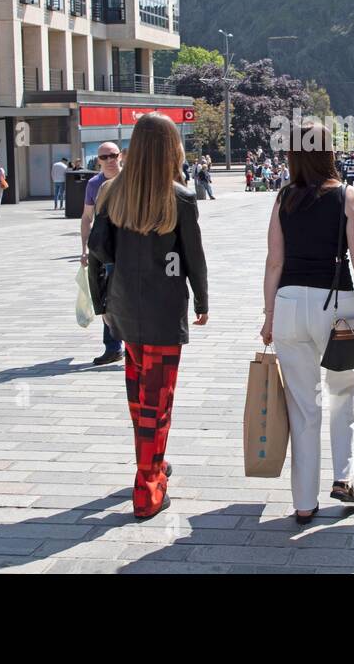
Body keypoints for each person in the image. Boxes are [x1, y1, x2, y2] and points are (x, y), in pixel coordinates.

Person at [87, 113, 208, 520]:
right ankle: (148, 487)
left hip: (123, 308)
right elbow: (194, 259)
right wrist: (202, 301)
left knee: (140, 396)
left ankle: (151, 460)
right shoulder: (178, 196)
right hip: (162, 312)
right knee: (159, 400)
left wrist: (101, 303)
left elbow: (97, 253)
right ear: (171, 148)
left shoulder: (111, 192)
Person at [260, 121, 354, 524]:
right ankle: (344, 476)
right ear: (329, 152)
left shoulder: (283, 198)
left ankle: (304, 502)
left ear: (292, 155)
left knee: (302, 405)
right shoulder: (347, 196)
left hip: (290, 303)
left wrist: (269, 315)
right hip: (337, 304)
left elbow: (274, 261)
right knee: (344, 392)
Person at [82, 142, 124, 366]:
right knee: (107, 299)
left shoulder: (131, 180)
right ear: (98, 160)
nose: (109, 160)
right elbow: (87, 217)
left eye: (113, 155)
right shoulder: (93, 184)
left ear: (120, 156)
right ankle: (113, 347)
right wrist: (83, 249)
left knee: (128, 297)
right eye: (104, 157)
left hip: (128, 249)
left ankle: (135, 343)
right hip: (104, 250)